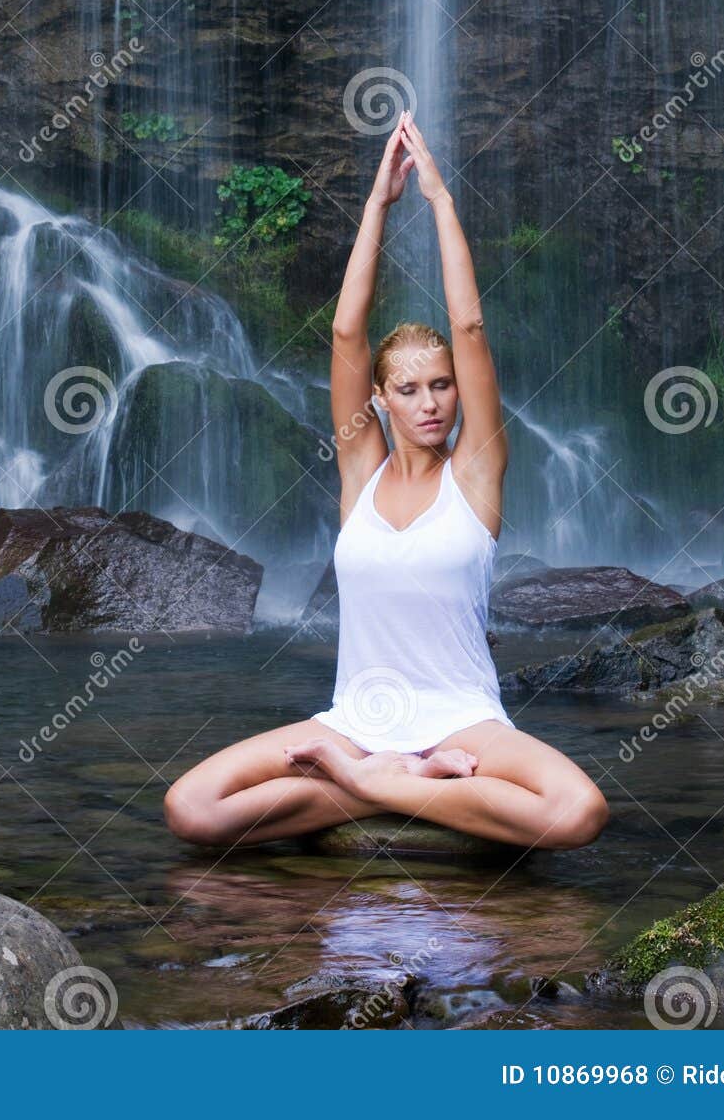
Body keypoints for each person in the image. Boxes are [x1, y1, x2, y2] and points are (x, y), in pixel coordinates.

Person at [163, 110, 610, 853]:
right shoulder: (358, 472)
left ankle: (365, 782)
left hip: (461, 719)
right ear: (379, 399)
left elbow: (468, 328)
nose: (429, 403)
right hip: (354, 719)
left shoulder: (475, 473)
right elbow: (345, 334)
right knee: (191, 807)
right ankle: (401, 776)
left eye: (440, 387)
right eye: (407, 389)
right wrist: (375, 205)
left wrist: (438, 201)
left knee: (577, 811)